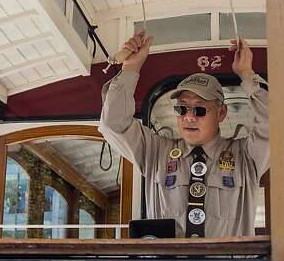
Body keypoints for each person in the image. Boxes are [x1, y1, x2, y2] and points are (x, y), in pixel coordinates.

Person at [100, 32, 268, 237]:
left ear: (221, 113)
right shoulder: (156, 152)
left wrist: (247, 76)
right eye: (181, 109)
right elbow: (113, 125)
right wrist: (131, 68)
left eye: (199, 110)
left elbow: (276, 128)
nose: (189, 117)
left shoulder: (246, 157)